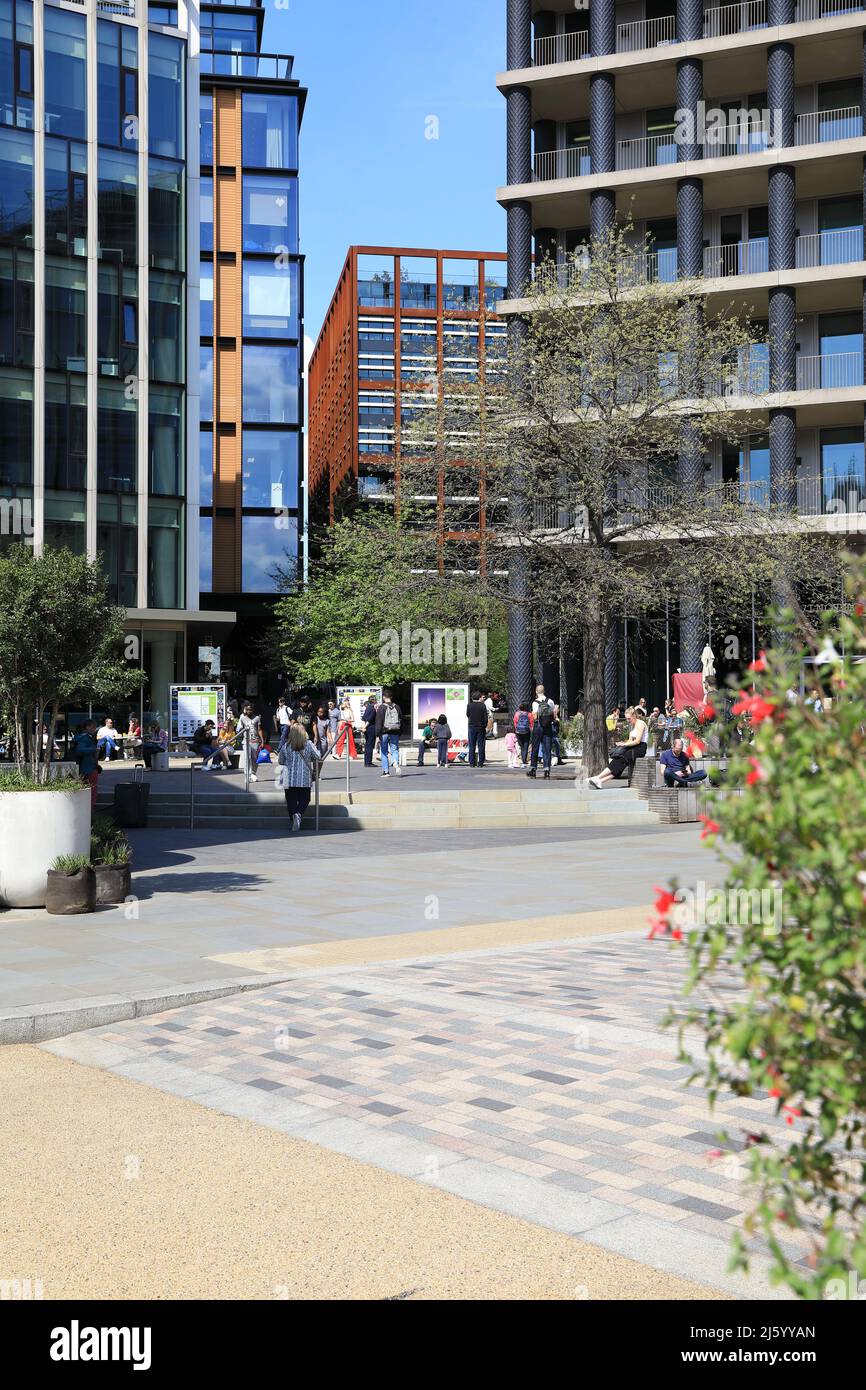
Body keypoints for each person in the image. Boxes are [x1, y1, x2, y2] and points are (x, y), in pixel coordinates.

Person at [588, 706, 649, 788]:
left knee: (622, 759)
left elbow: (638, 741)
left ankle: (598, 777)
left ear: (634, 716)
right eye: (626, 718)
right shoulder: (633, 726)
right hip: (633, 747)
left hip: (640, 748)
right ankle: (600, 780)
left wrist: (625, 744)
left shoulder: (640, 723)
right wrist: (623, 743)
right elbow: (631, 741)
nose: (628, 721)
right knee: (618, 760)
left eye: (629, 718)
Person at [277, 721, 322, 831]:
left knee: (290, 800)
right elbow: (318, 756)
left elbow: (281, 761)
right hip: (304, 777)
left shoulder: (285, 746)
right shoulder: (308, 744)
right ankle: (298, 813)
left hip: (289, 777)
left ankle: (294, 817)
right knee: (305, 799)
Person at [71, 719, 100, 809]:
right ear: (88, 727)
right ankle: (90, 811)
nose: (95, 729)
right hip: (89, 768)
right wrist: (94, 750)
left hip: (83, 768)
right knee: (91, 791)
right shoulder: (85, 738)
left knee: (84, 791)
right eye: (93, 727)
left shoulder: (80, 737)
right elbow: (80, 750)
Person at [374, 690, 402, 776]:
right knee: (394, 749)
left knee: (384, 752)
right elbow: (401, 720)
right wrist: (399, 732)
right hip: (395, 731)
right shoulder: (397, 707)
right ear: (391, 697)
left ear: (383, 697)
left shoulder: (381, 708)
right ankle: (395, 762)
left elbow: (379, 722)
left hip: (384, 732)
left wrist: (378, 734)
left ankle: (386, 771)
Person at [529, 694, 555, 779]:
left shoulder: (535, 703)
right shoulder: (550, 701)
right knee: (547, 749)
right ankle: (547, 771)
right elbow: (553, 715)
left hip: (538, 726)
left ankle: (533, 769)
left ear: (536, 692)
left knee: (535, 748)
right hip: (548, 727)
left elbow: (535, 716)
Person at [236, 702, 262, 781]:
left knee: (254, 758)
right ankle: (247, 774)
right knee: (247, 757)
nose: (249, 711)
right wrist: (240, 729)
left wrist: (262, 740)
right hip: (246, 741)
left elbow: (259, 729)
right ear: (245, 710)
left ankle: (253, 773)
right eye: (247, 710)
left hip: (255, 741)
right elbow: (238, 729)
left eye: (250, 710)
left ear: (252, 710)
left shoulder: (257, 718)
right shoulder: (242, 718)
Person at [466, 690, 488, 768]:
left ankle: (471, 763)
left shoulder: (469, 705)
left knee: (472, 745)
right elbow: (486, 717)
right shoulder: (483, 705)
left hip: (472, 726)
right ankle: (480, 763)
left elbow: (468, 714)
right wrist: (484, 725)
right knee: (481, 745)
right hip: (481, 727)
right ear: (479, 697)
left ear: (472, 698)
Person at [361, 694, 378, 767]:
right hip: (371, 728)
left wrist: (363, 727)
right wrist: (365, 727)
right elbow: (369, 720)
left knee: (367, 745)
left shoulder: (367, 708)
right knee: (370, 745)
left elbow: (364, 718)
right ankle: (368, 762)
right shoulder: (372, 709)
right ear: (374, 700)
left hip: (367, 729)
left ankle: (366, 761)